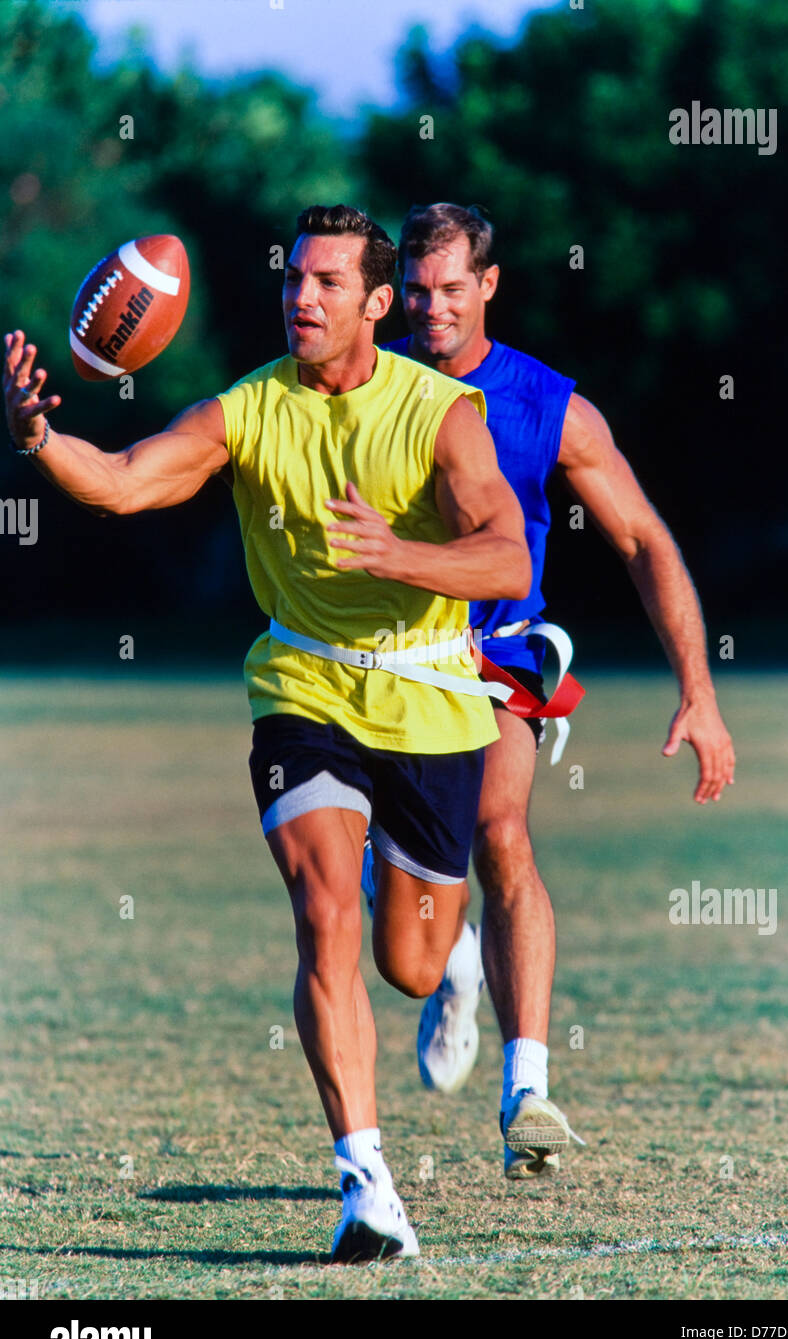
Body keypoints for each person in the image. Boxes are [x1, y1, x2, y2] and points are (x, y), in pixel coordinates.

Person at [2, 204, 532, 1261]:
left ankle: (454, 952)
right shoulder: (245, 410)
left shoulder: (441, 414)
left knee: (412, 965)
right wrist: (37, 437)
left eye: (330, 282)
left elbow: (507, 560)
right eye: (296, 277)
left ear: (378, 304)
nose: (302, 296)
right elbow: (120, 485)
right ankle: (367, 1186)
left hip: (429, 700)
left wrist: (401, 557)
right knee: (324, 912)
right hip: (301, 691)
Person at [372, 202, 736, 1179]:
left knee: (500, 829)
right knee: (396, 882)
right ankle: (452, 969)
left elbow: (644, 539)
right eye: (415, 290)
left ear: (489, 285)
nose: (432, 308)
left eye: (453, 289)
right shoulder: (361, 384)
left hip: (493, 656)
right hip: (371, 659)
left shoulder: (548, 407)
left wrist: (695, 689)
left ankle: (527, 1089)